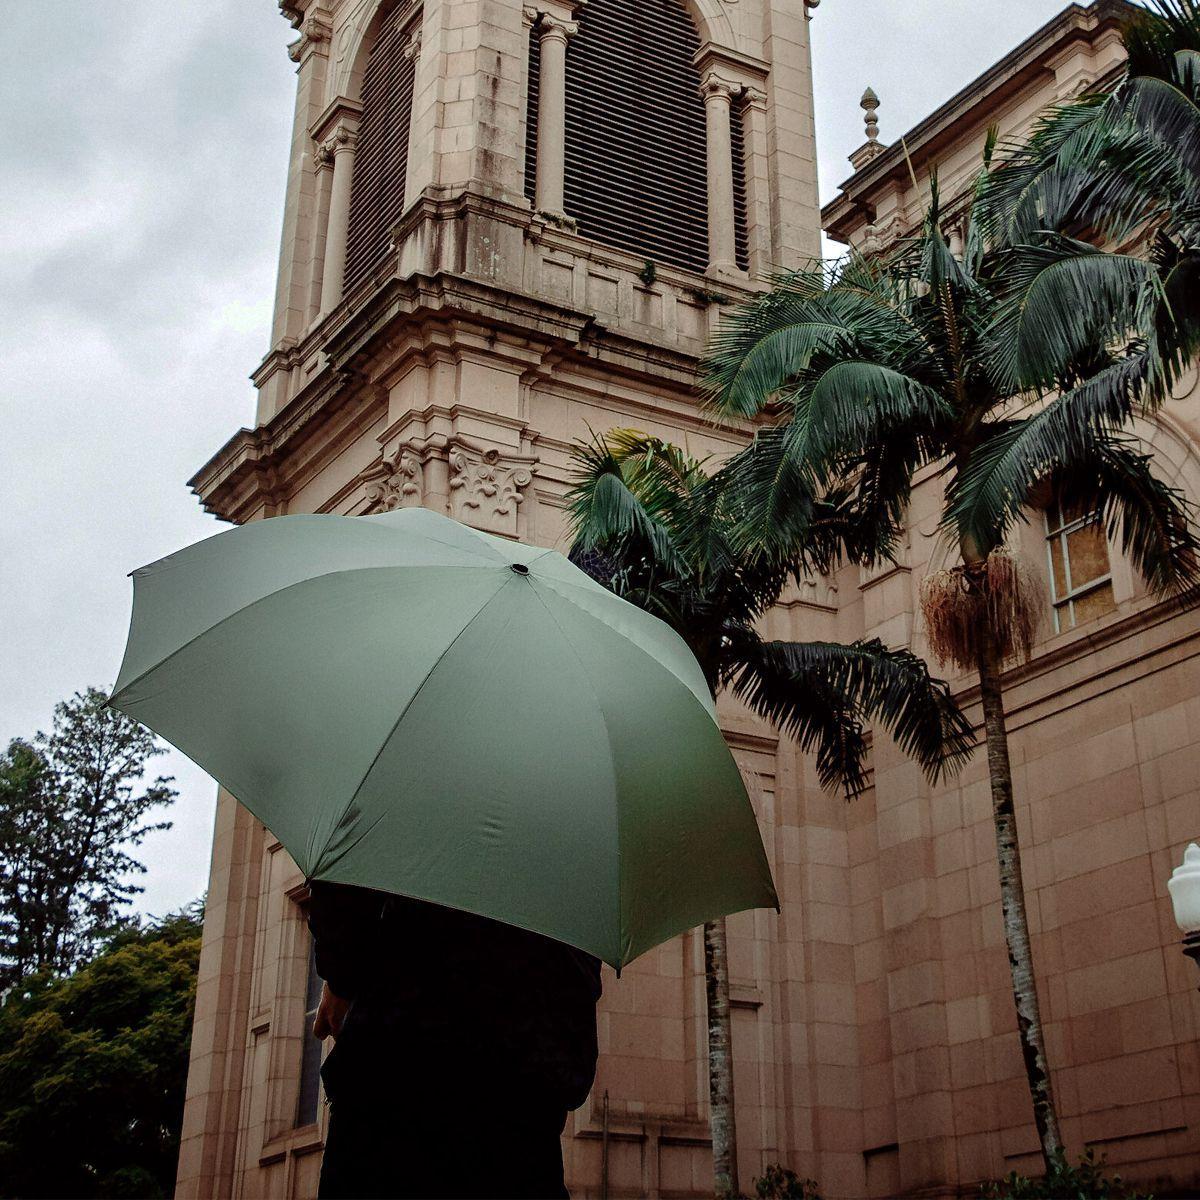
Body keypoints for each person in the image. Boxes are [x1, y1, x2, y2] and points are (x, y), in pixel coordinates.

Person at [307, 880, 603, 1200]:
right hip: (520, 1113)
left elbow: (344, 877)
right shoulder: (581, 856)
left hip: (398, 1084)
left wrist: (340, 978)